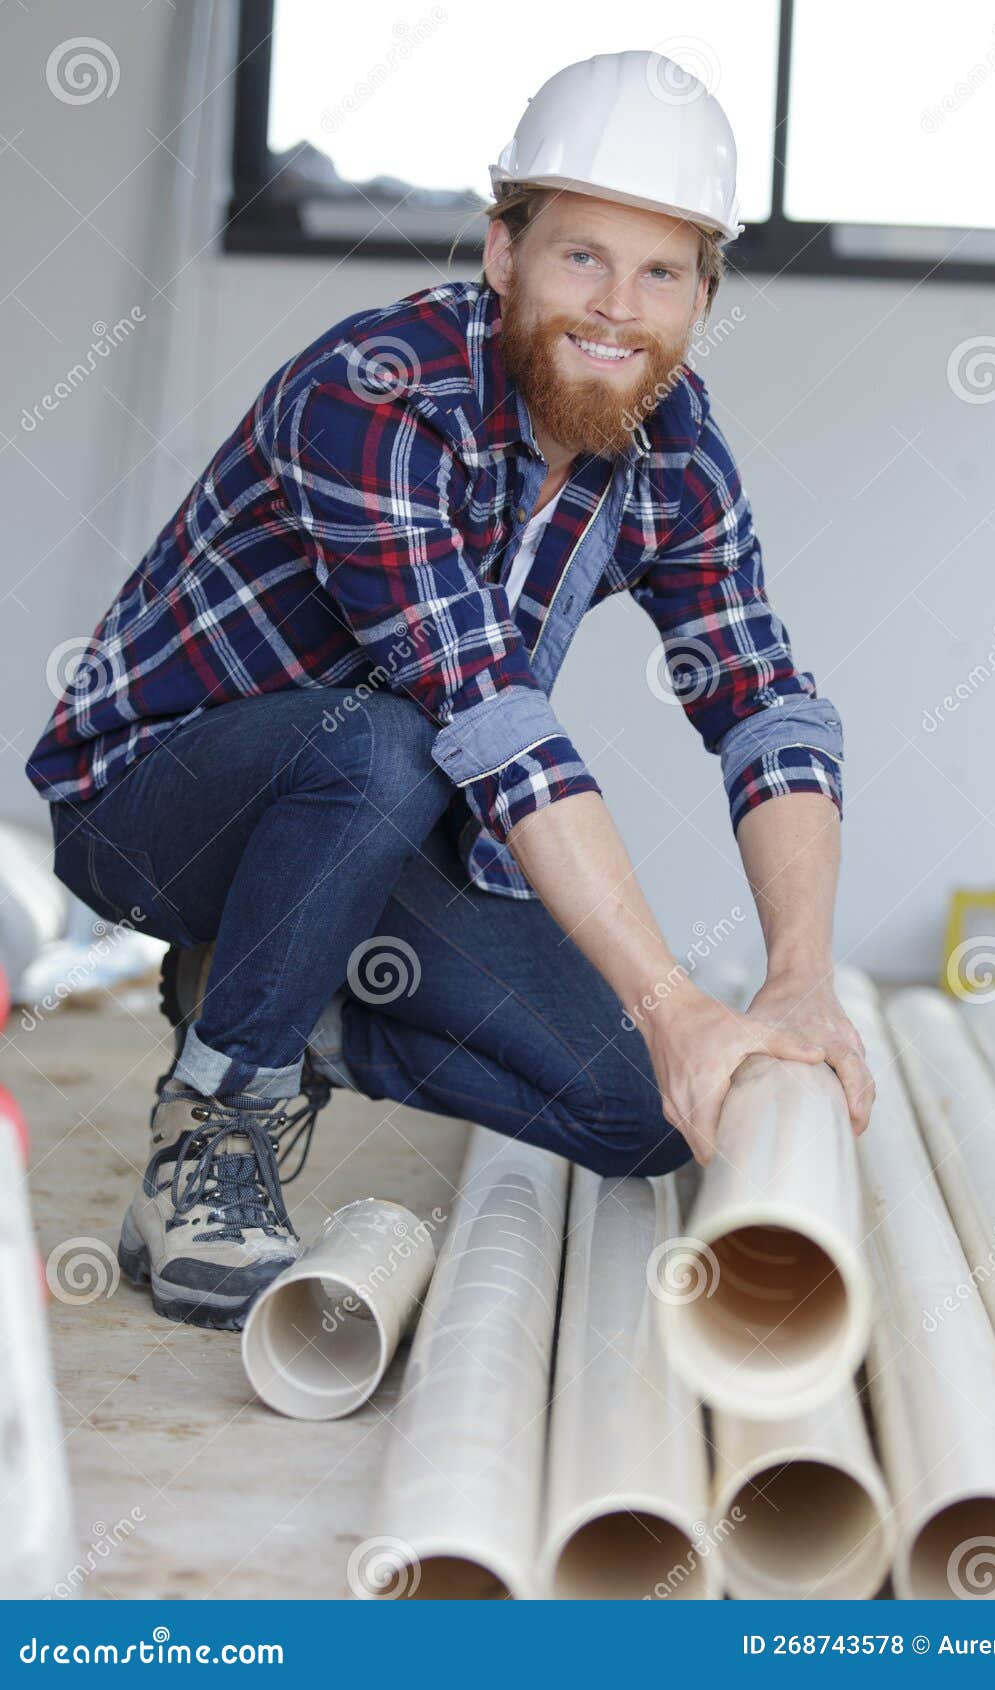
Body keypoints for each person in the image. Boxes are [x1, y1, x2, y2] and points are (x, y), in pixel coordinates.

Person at [26, 50, 874, 1331]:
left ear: (703, 293)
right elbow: (487, 719)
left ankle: (272, 989)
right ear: (501, 250)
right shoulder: (377, 396)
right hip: (153, 803)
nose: (616, 306)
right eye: (581, 255)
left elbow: (762, 706)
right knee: (386, 742)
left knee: (642, 1111)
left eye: (660, 271)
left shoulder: (674, 452)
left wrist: (796, 975)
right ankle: (216, 1121)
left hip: (374, 811)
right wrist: (671, 999)